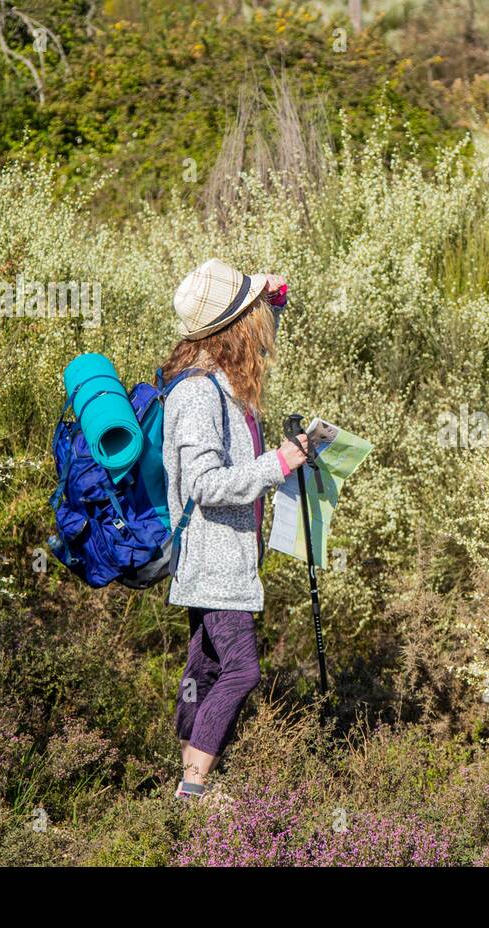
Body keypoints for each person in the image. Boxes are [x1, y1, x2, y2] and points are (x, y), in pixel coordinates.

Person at [161, 258, 308, 799]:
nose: (263, 325)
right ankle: (193, 791)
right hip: (213, 559)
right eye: (255, 314)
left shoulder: (222, 384)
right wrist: (280, 463)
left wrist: (271, 295)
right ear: (234, 328)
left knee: (203, 667)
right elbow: (206, 484)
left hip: (221, 558)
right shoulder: (199, 394)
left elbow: (263, 334)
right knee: (241, 670)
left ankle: (184, 782)